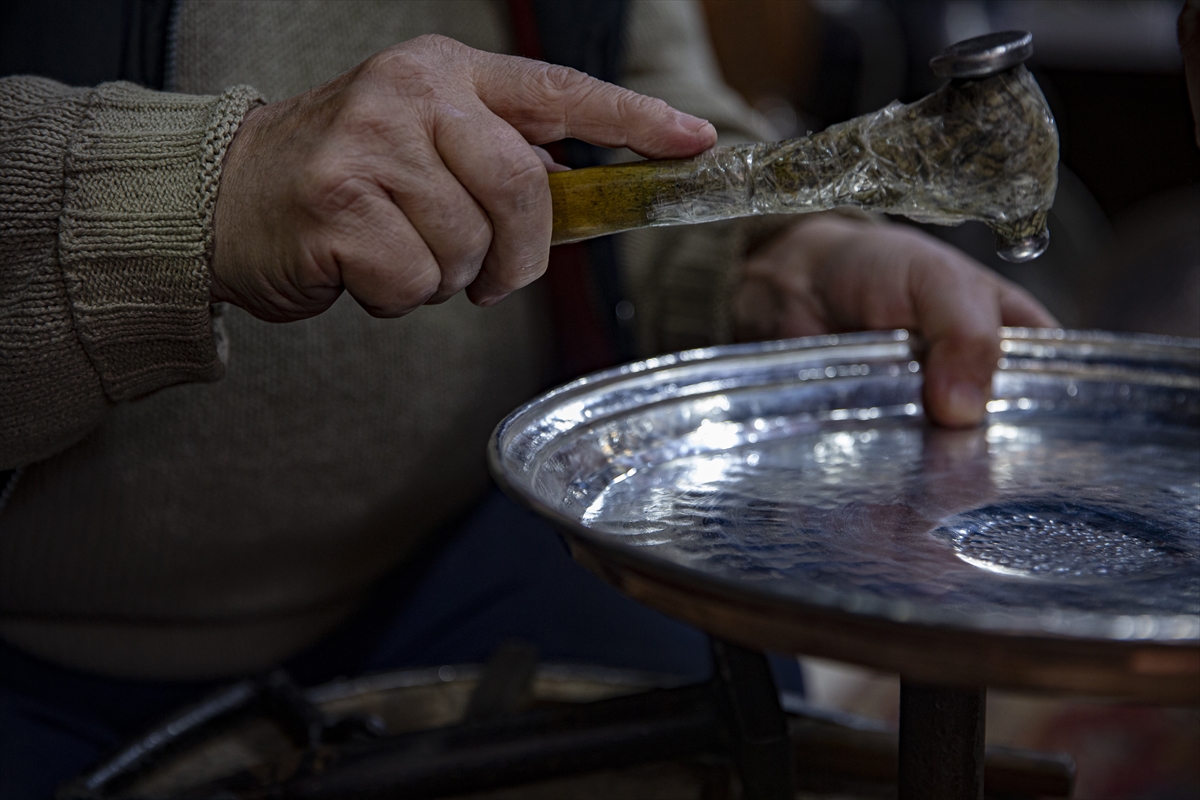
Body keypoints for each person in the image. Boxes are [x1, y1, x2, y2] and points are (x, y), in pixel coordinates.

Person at [0, 1, 1056, 793]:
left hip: (464, 553)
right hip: (38, 646)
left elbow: (633, 82)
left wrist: (770, 257)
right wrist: (200, 188)